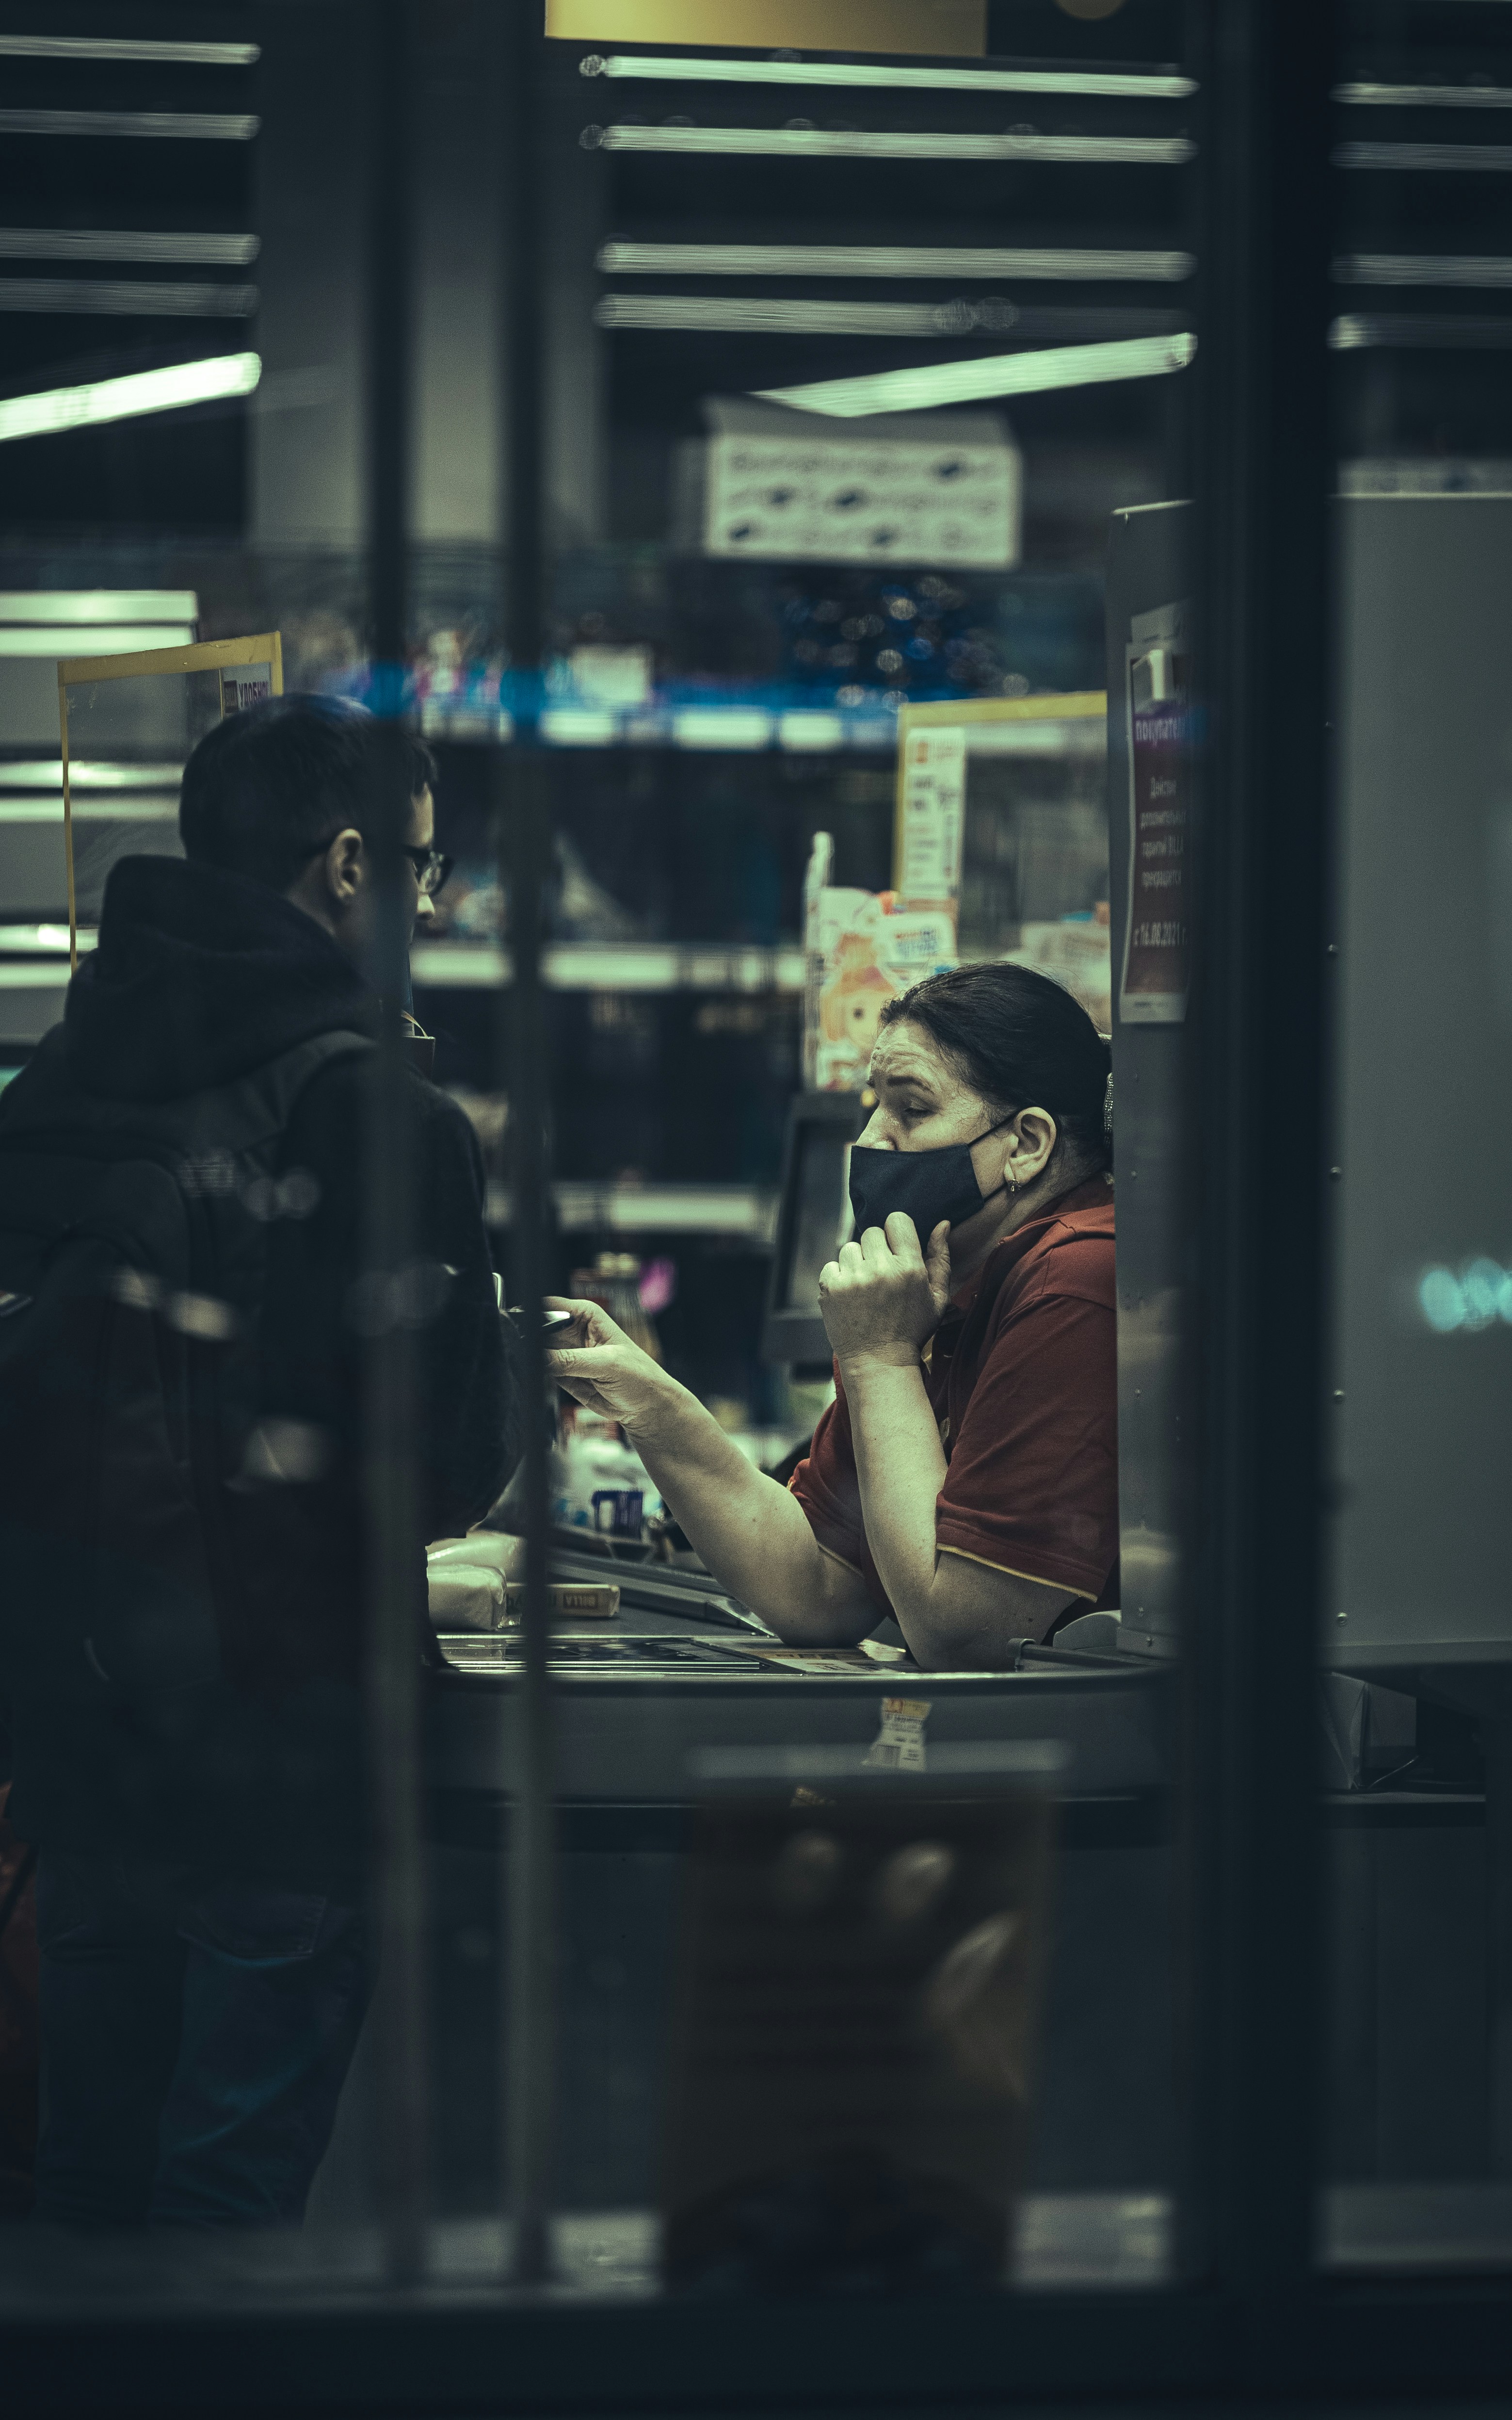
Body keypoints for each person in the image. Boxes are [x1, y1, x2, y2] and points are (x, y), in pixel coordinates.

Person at [0, 695, 512, 2227]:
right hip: (280, 1738)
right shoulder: (378, 1108)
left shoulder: (56, 1082)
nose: (431, 903)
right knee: (231, 2198)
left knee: (85, 2184)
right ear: (347, 864)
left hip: (81, 1716)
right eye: (424, 867)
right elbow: (436, 1474)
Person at [548, 964, 1116, 1671]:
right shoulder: (941, 1284)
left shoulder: (1078, 1279)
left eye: (911, 1110)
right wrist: (651, 1406)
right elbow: (818, 1586)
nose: (873, 1140)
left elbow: (966, 1634)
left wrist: (879, 1357)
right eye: (873, 1108)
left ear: (1026, 1143)